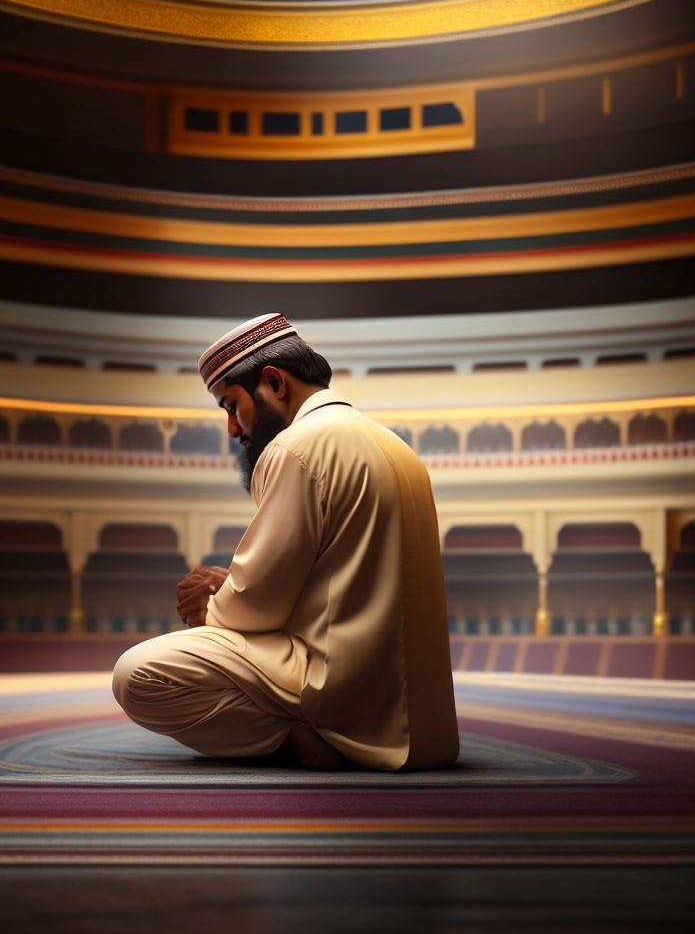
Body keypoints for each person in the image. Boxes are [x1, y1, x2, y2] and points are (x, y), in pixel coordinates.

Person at [113, 313, 458, 770]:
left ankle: (297, 736)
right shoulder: (397, 448)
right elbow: (338, 582)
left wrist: (211, 604)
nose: (233, 430)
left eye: (232, 406)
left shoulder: (297, 446)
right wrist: (234, 586)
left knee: (136, 675)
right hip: (420, 719)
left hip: (337, 690)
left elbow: (259, 606)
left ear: (274, 382)